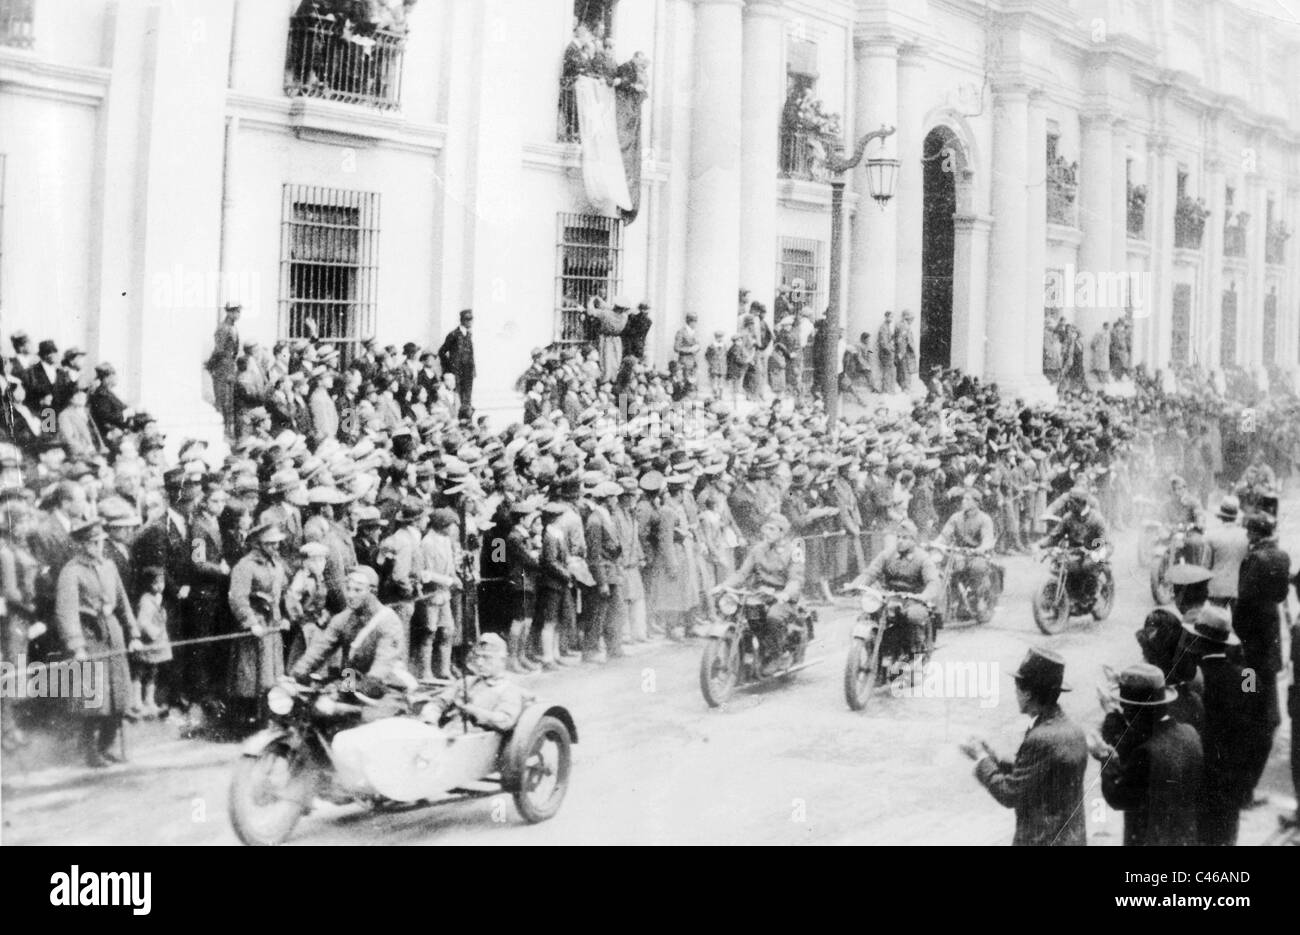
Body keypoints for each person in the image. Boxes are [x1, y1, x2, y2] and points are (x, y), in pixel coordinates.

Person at [961, 647, 1087, 845]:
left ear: (1027, 693)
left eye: (1017, 689)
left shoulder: (1040, 738)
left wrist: (981, 759)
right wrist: (992, 756)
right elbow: (1036, 774)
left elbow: (1009, 793)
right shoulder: (1072, 729)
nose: (1015, 694)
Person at [55, 518, 142, 767]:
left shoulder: (109, 566)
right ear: (81, 545)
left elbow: (123, 604)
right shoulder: (71, 572)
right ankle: (90, 750)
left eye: (100, 541)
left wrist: (134, 633)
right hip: (90, 636)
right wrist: (77, 646)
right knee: (94, 699)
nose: (97, 546)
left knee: (118, 696)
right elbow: (66, 612)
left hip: (113, 636)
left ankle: (107, 744)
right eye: (92, 542)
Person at [1089, 663, 1203, 846]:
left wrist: (1105, 757)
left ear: (1137, 711)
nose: (1125, 713)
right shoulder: (1190, 734)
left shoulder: (1145, 753)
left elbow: (1118, 798)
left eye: (1127, 709)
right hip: (1185, 837)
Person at [291, 565, 415, 704]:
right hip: (352, 681)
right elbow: (320, 648)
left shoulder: (388, 621)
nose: (350, 595)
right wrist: (297, 673)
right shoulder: (343, 619)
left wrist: (365, 683)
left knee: (369, 718)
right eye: (348, 589)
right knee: (320, 710)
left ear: (372, 592)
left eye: (357, 590)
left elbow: (384, 662)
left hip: (385, 685)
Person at [1182, 605, 1253, 845]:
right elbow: (1256, 707)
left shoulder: (1195, 677)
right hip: (1233, 776)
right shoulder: (1244, 676)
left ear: (1199, 640)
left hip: (1203, 775)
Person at [1234, 510, 1289, 807]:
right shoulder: (1281, 557)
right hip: (1267, 658)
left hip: (1249, 663)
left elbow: (1242, 605)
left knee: (1248, 717)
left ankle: (1243, 790)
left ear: (1254, 534)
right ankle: (1246, 789)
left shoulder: (1255, 560)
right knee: (1267, 719)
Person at [715, 512, 805, 676]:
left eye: (772, 529)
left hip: (782, 597)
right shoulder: (757, 549)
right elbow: (742, 574)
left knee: (773, 617)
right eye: (766, 528)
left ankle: (776, 656)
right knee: (742, 616)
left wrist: (785, 594)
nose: (766, 532)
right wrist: (723, 586)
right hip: (760, 593)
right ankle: (744, 654)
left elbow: (795, 580)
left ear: (782, 532)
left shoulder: (793, 551)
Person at [226, 521, 290, 726]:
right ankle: (247, 719)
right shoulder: (245, 566)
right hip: (256, 627)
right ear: (259, 544)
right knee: (251, 676)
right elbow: (238, 598)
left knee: (272, 674)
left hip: (273, 626)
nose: (275, 547)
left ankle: (269, 715)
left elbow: (281, 593)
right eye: (270, 544)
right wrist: (250, 621)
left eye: (277, 543)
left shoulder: (276, 564)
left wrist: (285, 617)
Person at [855, 520, 940, 655]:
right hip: (889, 597)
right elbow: (871, 572)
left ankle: (913, 652)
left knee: (913, 616)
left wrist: (923, 596)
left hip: (912, 600)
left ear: (913, 540)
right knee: (866, 615)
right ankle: (872, 650)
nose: (900, 541)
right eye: (898, 537)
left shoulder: (922, 558)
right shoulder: (887, 555)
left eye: (905, 538)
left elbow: (933, 582)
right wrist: (857, 584)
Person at [1040, 486, 1109, 603]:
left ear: (1081, 503)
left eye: (1072, 503)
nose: (1069, 506)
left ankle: (1092, 593)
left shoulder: (1096, 519)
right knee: (1059, 564)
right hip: (1075, 550)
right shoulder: (1068, 517)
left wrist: (1093, 550)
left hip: (1094, 549)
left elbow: (1103, 539)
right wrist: (1041, 545)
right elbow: (1056, 535)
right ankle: (1069, 591)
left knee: (1088, 565)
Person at [933, 489, 996, 600]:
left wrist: (981, 549)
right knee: (940, 564)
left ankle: (978, 596)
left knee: (977, 568)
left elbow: (987, 539)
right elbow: (944, 535)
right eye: (963, 499)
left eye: (967, 499)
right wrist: (935, 543)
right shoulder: (956, 517)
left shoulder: (984, 519)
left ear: (976, 503)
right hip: (959, 552)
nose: (963, 501)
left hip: (977, 554)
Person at [1203, 495, 1248, 609]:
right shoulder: (1246, 536)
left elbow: (1206, 565)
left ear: (1221, 516)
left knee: (1216, 622)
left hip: (1216, 588)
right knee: (1236, 623)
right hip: (1238, 588)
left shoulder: (1211, 536)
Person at [207, 303, 242, 436]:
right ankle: (221, 432)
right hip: (222, 367)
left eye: (239, 312)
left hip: (229, 367)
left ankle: (228, 431)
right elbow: (219, 350)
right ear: (229, 312)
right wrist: (212, 365)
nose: (238, 315)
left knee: (229, 401)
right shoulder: (223, 328)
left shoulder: (233, 327)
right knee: (222, 400)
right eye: (235, 312)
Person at [437, 309, 476, 420]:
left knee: (467, 397)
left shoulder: (468, 334)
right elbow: (442, 351)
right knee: (456, 397)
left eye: (471, 319)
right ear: (462, 320)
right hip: (457, 372)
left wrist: (473, 369)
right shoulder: (453, 335)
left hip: (468, 371)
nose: (470, 322)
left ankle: (467, 418)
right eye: (468, 319)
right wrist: (449, 367)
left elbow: (471, 353)